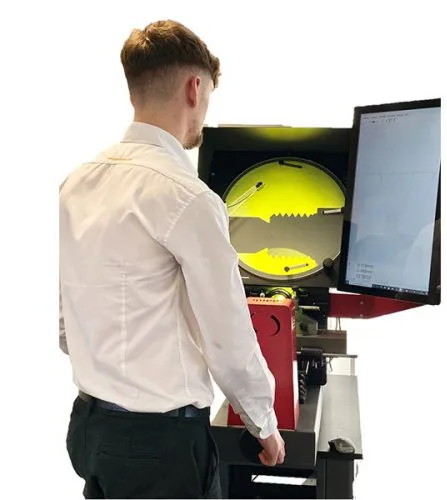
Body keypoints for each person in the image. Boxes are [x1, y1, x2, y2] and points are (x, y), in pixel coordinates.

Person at [59, 19, 285, 499]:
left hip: (88, 430)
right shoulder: (187, 197)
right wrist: (264, 423)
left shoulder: (76, 183)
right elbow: (227, 339)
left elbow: (67, 326)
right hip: (160, 446)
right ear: (194, 88)